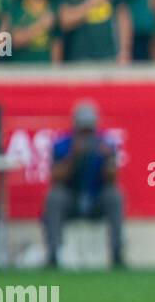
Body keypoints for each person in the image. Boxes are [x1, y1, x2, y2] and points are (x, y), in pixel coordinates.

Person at [43, 100, 124, 268]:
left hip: (96, 199)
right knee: (54, 198)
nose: (87, 137)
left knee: (114, 196)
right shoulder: (63, 144)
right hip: (71, 198)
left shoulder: (105, 144)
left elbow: (113, 178)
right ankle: (53, 254)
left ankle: (117, 254)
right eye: (83, 131)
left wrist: (107, 159)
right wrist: (74, 156)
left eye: (89, 131)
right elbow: (55, 177)